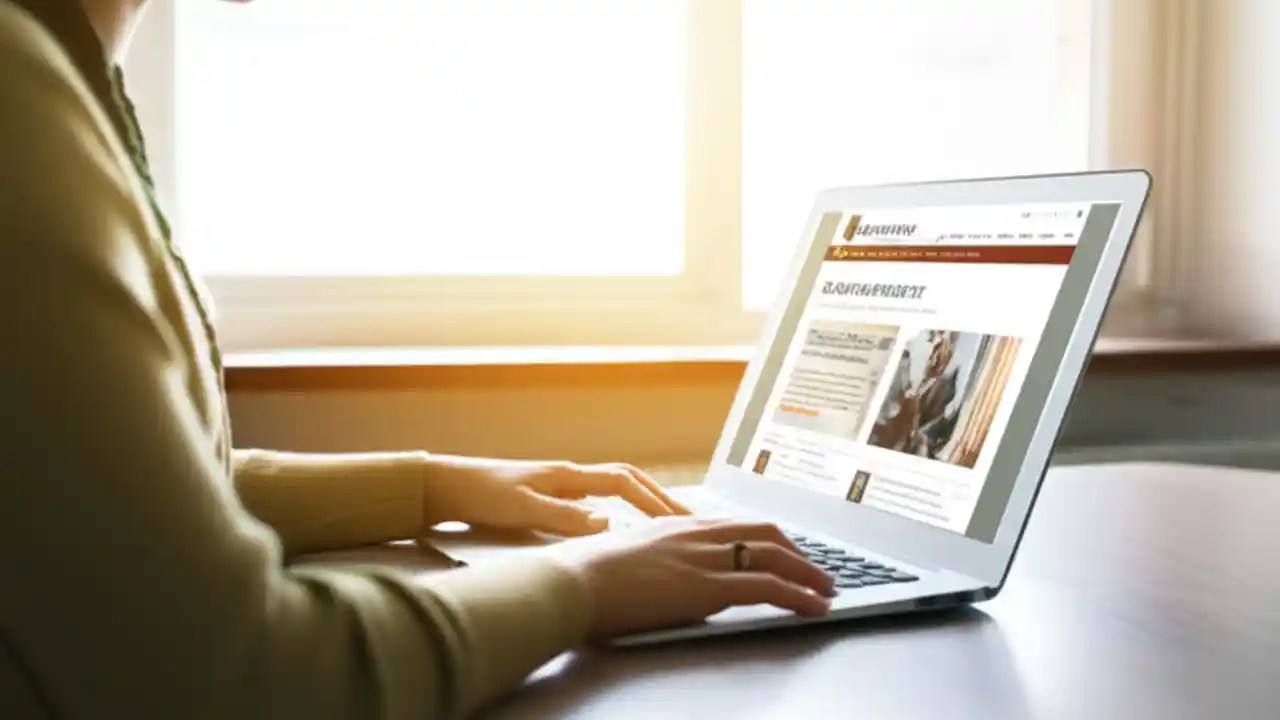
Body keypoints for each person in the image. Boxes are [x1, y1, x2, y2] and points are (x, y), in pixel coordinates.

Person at [0, 1, 835, 717]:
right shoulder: (17, 93)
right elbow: (242, 682)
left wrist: (431, 484)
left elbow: (113, 501)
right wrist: (586, 579)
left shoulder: (68, 77)